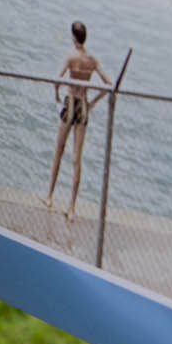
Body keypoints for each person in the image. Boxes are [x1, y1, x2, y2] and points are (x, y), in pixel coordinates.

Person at [47, 21, 111, 219]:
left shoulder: (71, 56)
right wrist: (93, 102)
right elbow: (108, 84)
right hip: (83, 104)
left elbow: (57, 79)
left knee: (59, 149)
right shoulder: (92, 59)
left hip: (71, 102)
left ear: (73, 37)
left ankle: (49, 196)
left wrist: (57, 95)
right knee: (77, 158)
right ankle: (72, 207)